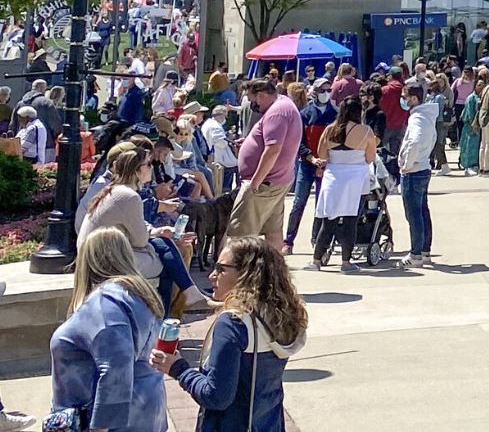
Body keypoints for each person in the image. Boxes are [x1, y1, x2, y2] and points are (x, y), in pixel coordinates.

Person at [152, 236, 307, 432]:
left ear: (247, 273)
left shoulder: (234, 323)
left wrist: (177, 367)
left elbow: (216, 396)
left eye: (221, 268)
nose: (211, 276)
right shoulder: (281, 314)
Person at [52, 228, 168, 432]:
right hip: (145, 412)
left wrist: (99, 428)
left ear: (88, 259)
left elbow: (116, 370)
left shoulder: (105, 304)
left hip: (109, 423)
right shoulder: (140, 295)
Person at [77, 142, 205, 313]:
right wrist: (155, 234)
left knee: (162, 242)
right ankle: (163, 320)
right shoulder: (129, 196)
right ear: (137, 171)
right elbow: (140, 240)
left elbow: (137, 226)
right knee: (165, 263)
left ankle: (185, 298)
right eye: (148, 164)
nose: (152, 168)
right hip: (103, 259)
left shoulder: (118, 190)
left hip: (99, 253)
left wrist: (157, 231)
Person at [230, 79, 302, 248]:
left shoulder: (276, 113)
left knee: (239, 235)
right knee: (273, 230)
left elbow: (273, 149)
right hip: (277, 180)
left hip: (264, 183)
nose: (251, 104)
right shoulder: (284, 104)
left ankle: (238, 271)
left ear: (261, 96)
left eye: (251, 99)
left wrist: (254, 183)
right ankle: (273, 271)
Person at [310, 97, 378, 270]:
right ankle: (346, 262)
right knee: (351, 220)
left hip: (333, 177)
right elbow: (370, 158)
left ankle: (316, 260)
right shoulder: (365, 131)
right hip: (356, 177)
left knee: (328, 220)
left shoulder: (330, 130)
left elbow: (321, 154)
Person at [284, 82, 335, 255]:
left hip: (327, 165)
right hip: (306, 165)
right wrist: (311, 158)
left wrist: (324, 161)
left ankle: (317, 240)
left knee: (321, 206)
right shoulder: (304, 114)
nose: (326, 93)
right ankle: (288, 241)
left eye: (329, 90)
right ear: (315, 92)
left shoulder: (334, 114)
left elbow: (335, 142)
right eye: (322, 90)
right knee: (298, 203)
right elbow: (298, 141)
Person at [396, 81, 438, 267]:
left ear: (414, 98)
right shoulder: (426, 116)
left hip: (414, 171)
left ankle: (416, 254)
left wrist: (407, 164)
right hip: (423, 168)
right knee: (422, 211)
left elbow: (414, 140)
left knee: (413, 214)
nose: (403, 101)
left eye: (405, 98)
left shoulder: (417, 119)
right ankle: (425, 250)